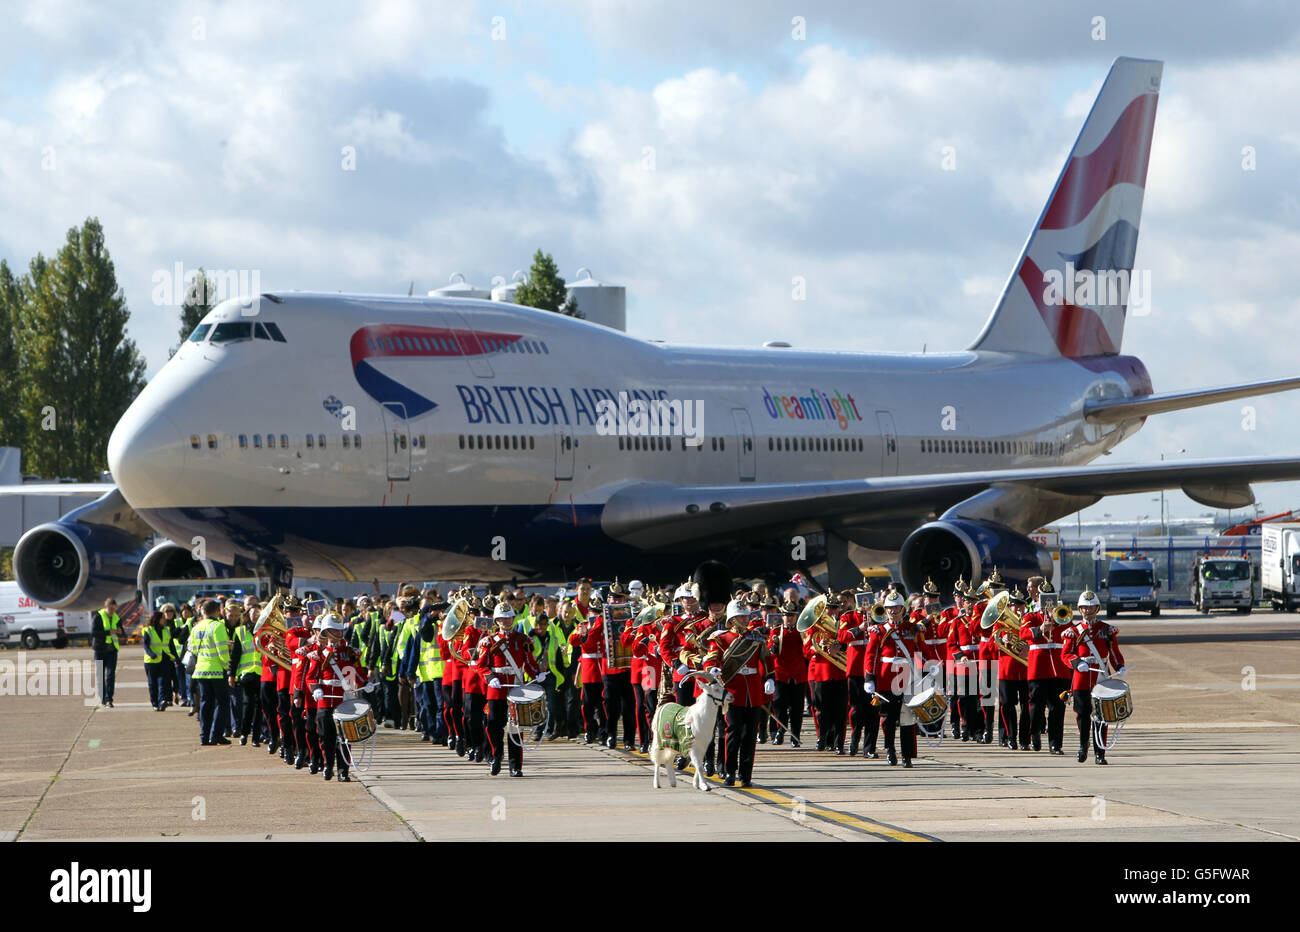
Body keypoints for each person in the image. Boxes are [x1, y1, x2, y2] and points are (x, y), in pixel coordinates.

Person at [705, 601, 774, 787]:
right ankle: (729, 772)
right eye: (741, 616)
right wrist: (712, 669)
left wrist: (769, 678)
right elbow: (712, 659)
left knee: (750, 735)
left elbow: (766, 658)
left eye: (746, 616)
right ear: (732, 619)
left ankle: (745, 774)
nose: (745, 619)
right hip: (732, 690)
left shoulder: (757, 638)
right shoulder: (721, 638)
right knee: (733, 732)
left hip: (753, 690)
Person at [476, 602, 542, 776]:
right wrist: (491, 678)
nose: (506, 621)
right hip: (497, 687)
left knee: (515, 727)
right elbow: (481, 666)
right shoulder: (489, 641)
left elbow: (528, 663)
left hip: (516, 686)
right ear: (497, 621)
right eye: (502, 619)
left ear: (513, 618)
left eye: (509, 618)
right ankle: (496, 757)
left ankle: (515, 766)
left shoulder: (522, 640)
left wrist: (537, 674)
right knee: (493, 724)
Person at [1061, 591, 1127, 764]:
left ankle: (1100, 753)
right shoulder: (1074, 631)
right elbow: (1066, 654)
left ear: (1097, 608)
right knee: (1082, 714)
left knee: (1102, 716)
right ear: (1080, 609)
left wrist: (1119, 665)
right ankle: (1083, 746)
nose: (1088, 610)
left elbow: (1113, 652)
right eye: (1084, 607)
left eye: (1091, 607)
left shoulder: (1106, 630)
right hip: (1081, 678)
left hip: (1101, 677)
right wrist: (1076, 663)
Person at [864, 590, 924, 767]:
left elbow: (922, 648)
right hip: (886, 677)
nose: (892, 611)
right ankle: (890, 750)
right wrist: (869, 677)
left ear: (902, 609)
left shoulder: (911, 628)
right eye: (889, 608)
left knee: (907, 718)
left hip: (907, 677)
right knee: (888, 718)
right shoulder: (879, 630)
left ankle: (906, 755)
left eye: (896, 607)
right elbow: (871, 655)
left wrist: (931, 665)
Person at [307, 613, 367, 782]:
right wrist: (316, 688)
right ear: (326, 632)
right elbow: (311, 676)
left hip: (343, 696)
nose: (337, 634)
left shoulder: (350, 652)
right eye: (332, 630)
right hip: (326, 697)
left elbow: (358, 672)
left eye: (338, 630)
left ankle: (343, 770)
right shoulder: (319, 654)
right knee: (326, 736)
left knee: (345, 737)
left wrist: (366, 683)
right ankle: (327, 766)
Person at [1019, 585, 1070, 755]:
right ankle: (1034, 734)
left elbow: (1072, 632)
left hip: (1059, 669)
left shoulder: (1062, 617)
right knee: (1036, 707)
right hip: (1038, 668)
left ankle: (1055, 744)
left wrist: (1056, 621)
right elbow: (1022, 632)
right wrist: (1040, 629)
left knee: (1058, 707)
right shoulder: (1032, 617)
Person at [191, 599, 233, 746]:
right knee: (222, 703)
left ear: (203, 611)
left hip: (201, 670)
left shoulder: (197, 627)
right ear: (218, 611)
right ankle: (216, 735)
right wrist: (228, 666)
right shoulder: (217, 626)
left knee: (205, 703)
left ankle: (204, 735)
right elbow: (222, 651)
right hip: (216, 670)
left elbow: (192, 648)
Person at [768, 599, 807, 745]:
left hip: (798, 673)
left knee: (797, 707)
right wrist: (775, 644)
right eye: (786, 615)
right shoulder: (776, 631)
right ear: (782, 616)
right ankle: (780, 730)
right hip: (781, 673)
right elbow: (772, 653)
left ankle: (795, 735)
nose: (789, 618)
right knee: (779, 704)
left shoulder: (801, 631)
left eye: (792, 615)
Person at [229, 603, 263, 746]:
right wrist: (231, 674)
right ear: (248, 614)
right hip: (247, 674)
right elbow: (235, 655)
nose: (255, 615)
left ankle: (256, 737)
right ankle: (244, 733)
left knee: (259, 706)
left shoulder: (265, 630)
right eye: (252, 613)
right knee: (248, 705)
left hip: (262, 674)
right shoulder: (240, 631)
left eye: (258, 613)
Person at [529, 609, 565, 741]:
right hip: (535, 676)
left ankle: (548, 730)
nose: (541, 627)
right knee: (536, 704)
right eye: (538, 624)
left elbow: (559, 658)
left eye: (544, 624)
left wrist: (561, 678)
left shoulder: (553, 640)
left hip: (550, 675)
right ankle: (538, 730)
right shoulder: (529, 639)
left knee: (550, 704)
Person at [142, 609, 176, 711]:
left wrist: (175, 657)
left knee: (163, 681)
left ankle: (162, 700)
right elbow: (146, 645)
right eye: (162, 618)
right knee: (153, 683)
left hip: (164, 659)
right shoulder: (149, 630)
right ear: (157, 619)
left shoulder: (166, 630)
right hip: (151, 661)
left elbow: (171, 645)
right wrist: (151, 654)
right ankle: (155, 703)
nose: (164, 620)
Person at [91, 598, 122, 707]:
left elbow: (121, 632)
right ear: (106, 607)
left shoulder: (117, 618)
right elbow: (94, 633)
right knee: (100, 675)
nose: (112, 611)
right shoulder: (98, 617)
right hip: (100, 650)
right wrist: (108, 632)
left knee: (110, 675)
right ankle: (103, 698)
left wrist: (120, 632)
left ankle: (109, 698)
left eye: (114, 609)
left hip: (112, 650)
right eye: (110, 609)